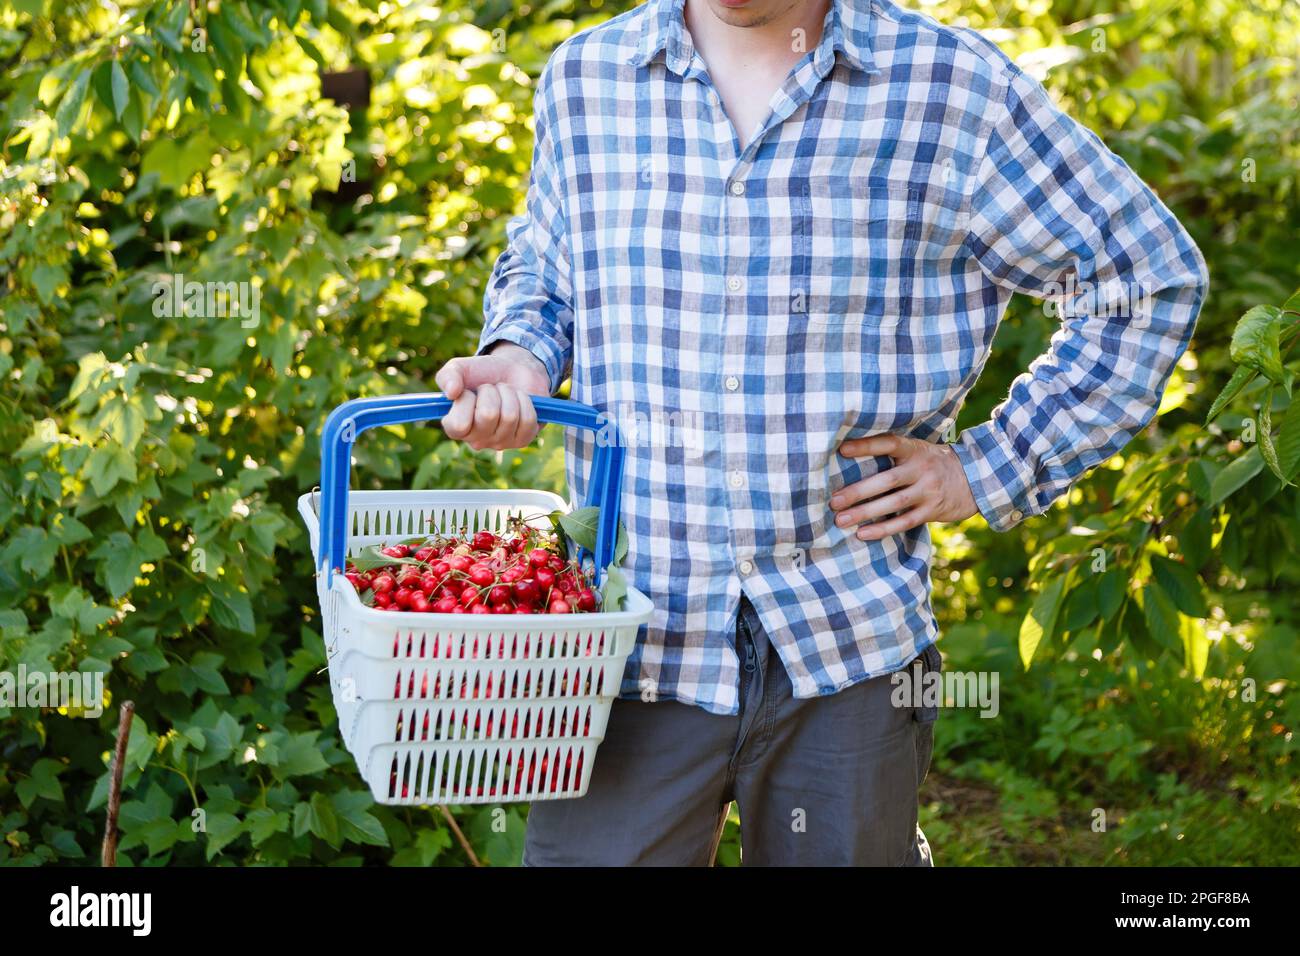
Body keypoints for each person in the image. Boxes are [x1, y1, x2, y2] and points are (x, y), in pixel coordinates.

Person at [434, 0, 1208, 865]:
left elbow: (1144, 277)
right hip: (631, 633)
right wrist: (519, 352)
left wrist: (988, 468)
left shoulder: (948, 87)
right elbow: (548, 262)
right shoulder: (587, 78)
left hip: (847, 640)